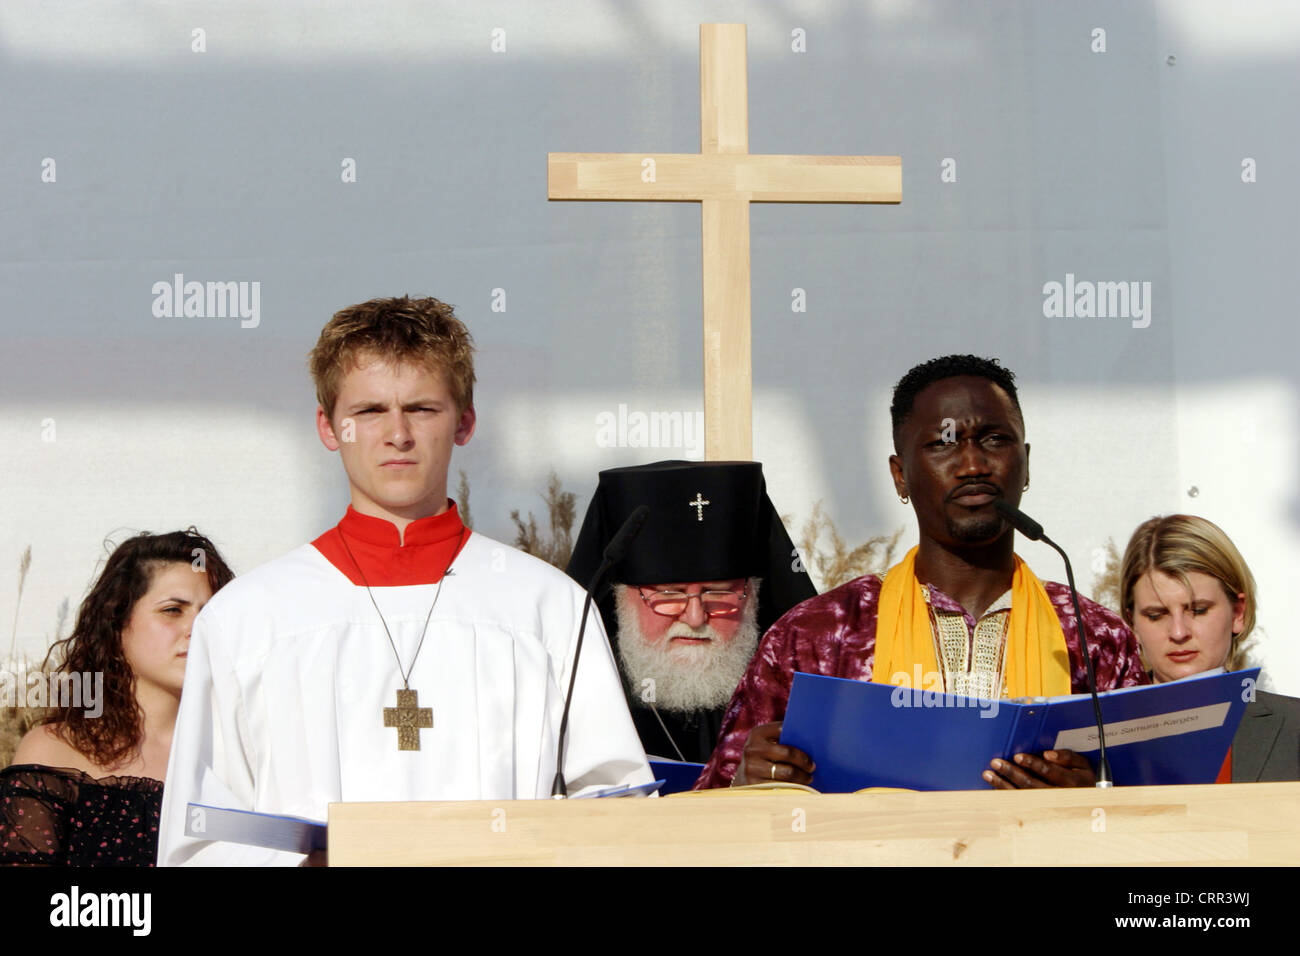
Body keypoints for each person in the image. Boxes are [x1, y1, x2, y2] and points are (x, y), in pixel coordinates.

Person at [158, 295, 652, 866]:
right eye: (368, 412)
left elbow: (617, 813)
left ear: (464, 421)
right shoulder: (248, 617)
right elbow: (200, 837)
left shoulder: (548, 608)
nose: (398, 434)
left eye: (421, 408)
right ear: (327, 426)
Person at [695, 355, 1147, 791]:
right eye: (942, 443)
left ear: (1025, 464)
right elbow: (704, 827)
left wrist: (1097, 795)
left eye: (994, 439)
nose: (973, 465)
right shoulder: (815, 636)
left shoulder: (1096, 641)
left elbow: (1162, 810)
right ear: (900, 476)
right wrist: (744, 783)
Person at [1, 530, 233, 865]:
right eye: (172, 610)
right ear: (117, 623)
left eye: (211, 613)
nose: (197, 627)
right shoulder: (52, 752)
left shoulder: (242, 754)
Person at [566, 461, 817, 764]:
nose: (696, 618)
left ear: (753, 598)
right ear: (620, 601)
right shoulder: (571, 701)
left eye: (719, 593)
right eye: (669, 594)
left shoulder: (789, 701)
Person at [1120, 514, 1300, 782]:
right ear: (1131, 621)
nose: (1179, 632)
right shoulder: (1091, 737)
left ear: (1238, 612)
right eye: (1156, 615)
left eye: (1199, 610)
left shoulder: (1293, 728)